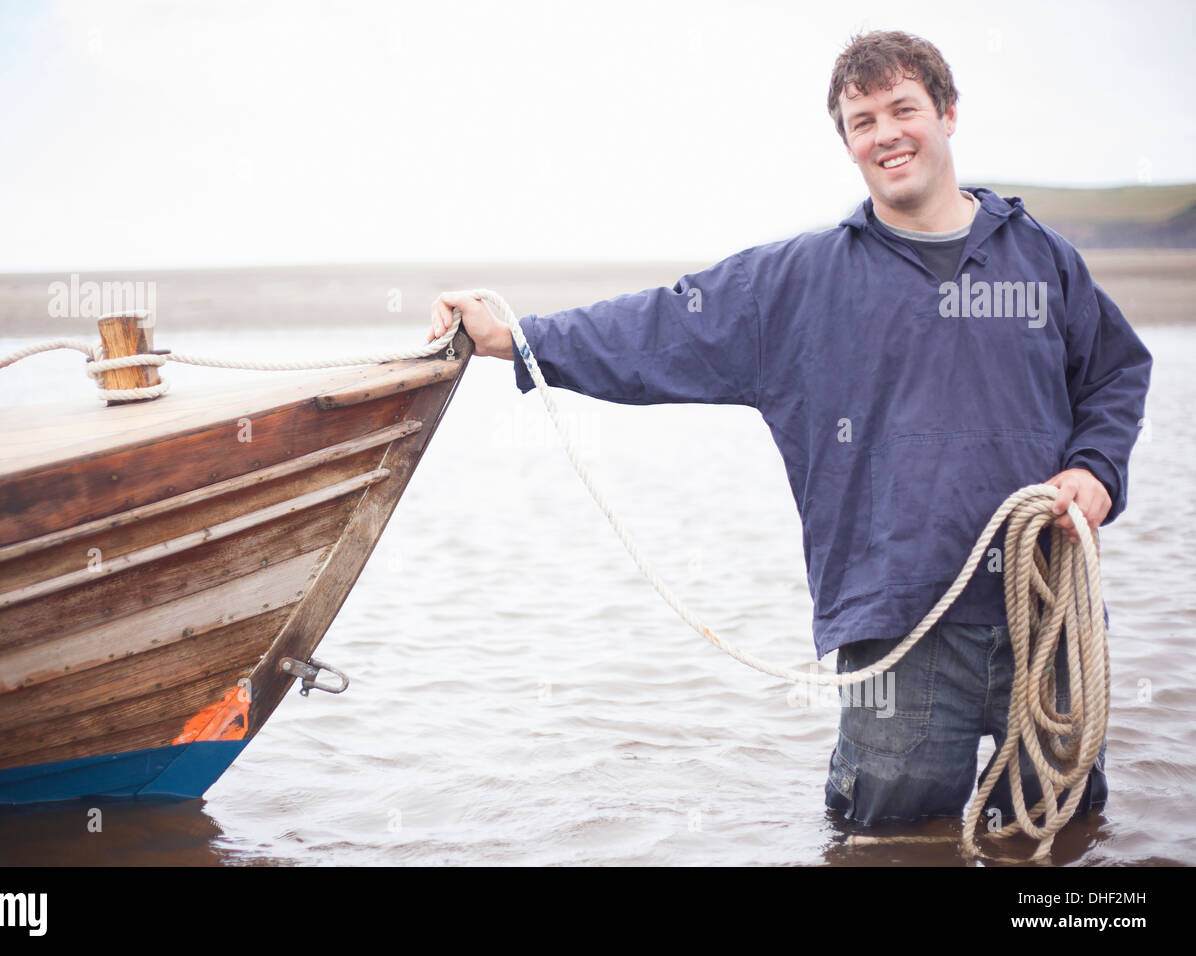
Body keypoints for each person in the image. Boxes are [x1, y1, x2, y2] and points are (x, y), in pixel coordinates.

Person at [427, 31, 1152, 828]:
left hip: (1049, 613)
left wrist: (1097, 468)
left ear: (947, 114)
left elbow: (1116, 371)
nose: (886, 134)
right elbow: (662, 325)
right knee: (884, 841)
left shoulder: (1040, 259)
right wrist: (517, 337)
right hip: (897, 629)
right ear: (848, 143)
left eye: (903, 109)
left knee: (1065, 834)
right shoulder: (801, 282)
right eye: (863, 120)